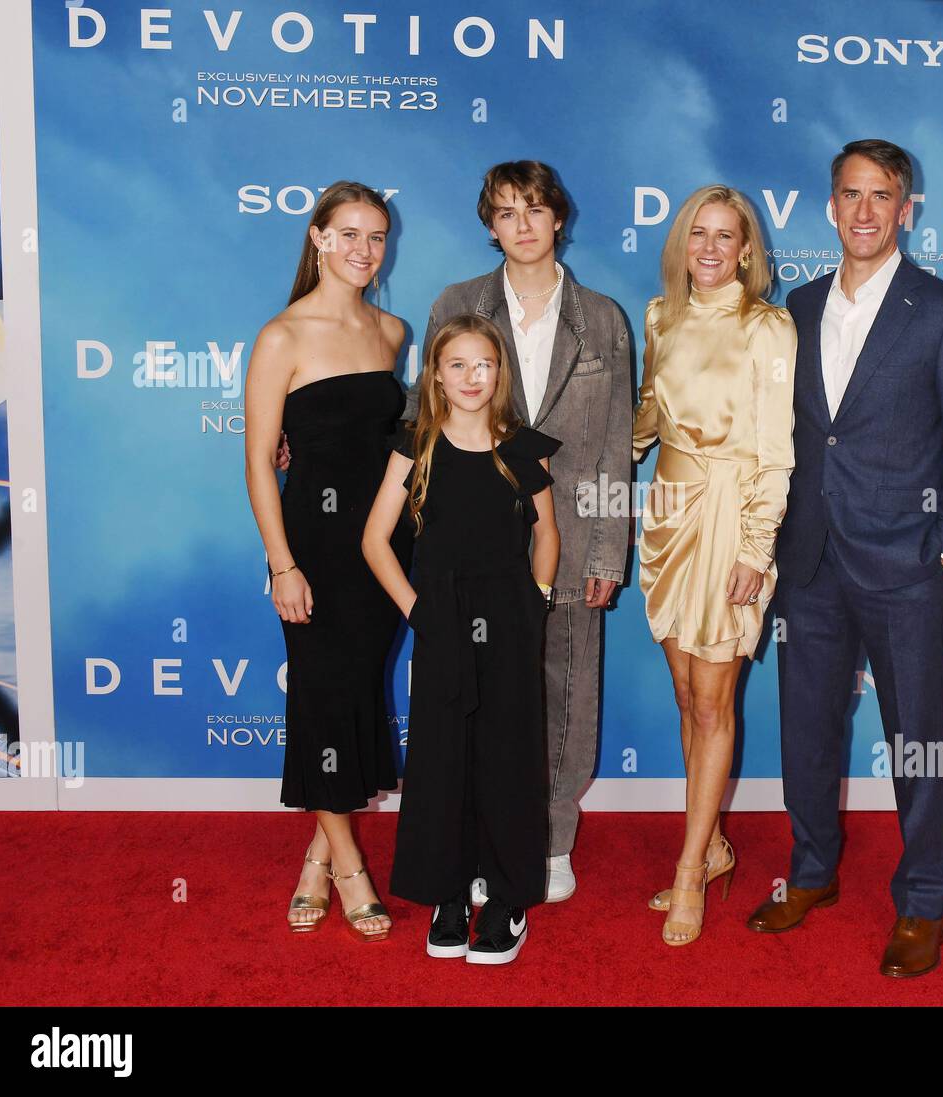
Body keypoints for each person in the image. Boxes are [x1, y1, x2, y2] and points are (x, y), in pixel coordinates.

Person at [745, 140, 943, 978]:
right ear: (831, 206)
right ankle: (811, 872)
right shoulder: (801, 303)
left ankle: (923, 898)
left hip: (905, 566)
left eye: (880, 195)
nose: (863, 211)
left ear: (906, 209)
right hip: (810, 560)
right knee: (807, 732)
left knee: (917, 741)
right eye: (849, 194)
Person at [402, 161, 631, 904]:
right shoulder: (457, 303)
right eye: (506, 212)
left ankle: (554, 836)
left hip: (565, 537)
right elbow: (422, 420)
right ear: (490, 225)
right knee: (474, 700)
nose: (523, 224)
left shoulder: (602, 319)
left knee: (566, 692)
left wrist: (606, 549)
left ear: (558, 217)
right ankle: (478, 841)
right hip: (470, 542)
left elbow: (615, 441)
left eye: (535, 208)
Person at [244, 180, 413, 942]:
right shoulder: (281, 335)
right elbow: (257, 462)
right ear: (317, 237)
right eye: (348, 234)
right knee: (322, 694)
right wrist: (281, 563)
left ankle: (317, 857)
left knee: (358, 693)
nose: (363, 250)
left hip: (384, 544)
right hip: (311, 546)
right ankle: (348, 868)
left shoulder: (393, 331)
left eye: (375, 237)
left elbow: (395, 446)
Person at [363, 314, 560, 965]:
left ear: (499, 373)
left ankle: (505, 898)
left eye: (485, 364)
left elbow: (547, 535)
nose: (472, 377)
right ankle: (448, 894)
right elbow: (374, 539)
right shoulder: (414, 443)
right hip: (441, 616)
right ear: (437, 373)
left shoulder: (521, 446)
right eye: (458, 365)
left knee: (508, 757)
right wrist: (418, 612)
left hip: (509, 616)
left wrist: (535, 602)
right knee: (442, 757)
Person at [632, 185, 796, 946]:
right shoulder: (659, 316)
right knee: (683, 694)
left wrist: (757, 550)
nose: (708, 248)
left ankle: (692, 865)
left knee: (711, 702)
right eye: (697, 233)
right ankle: (716, 841)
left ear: (746, 250)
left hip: (732, 517)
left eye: (725, 236)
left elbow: (777, 452)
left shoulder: (768, 326)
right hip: (668, 512)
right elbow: (643, 416)